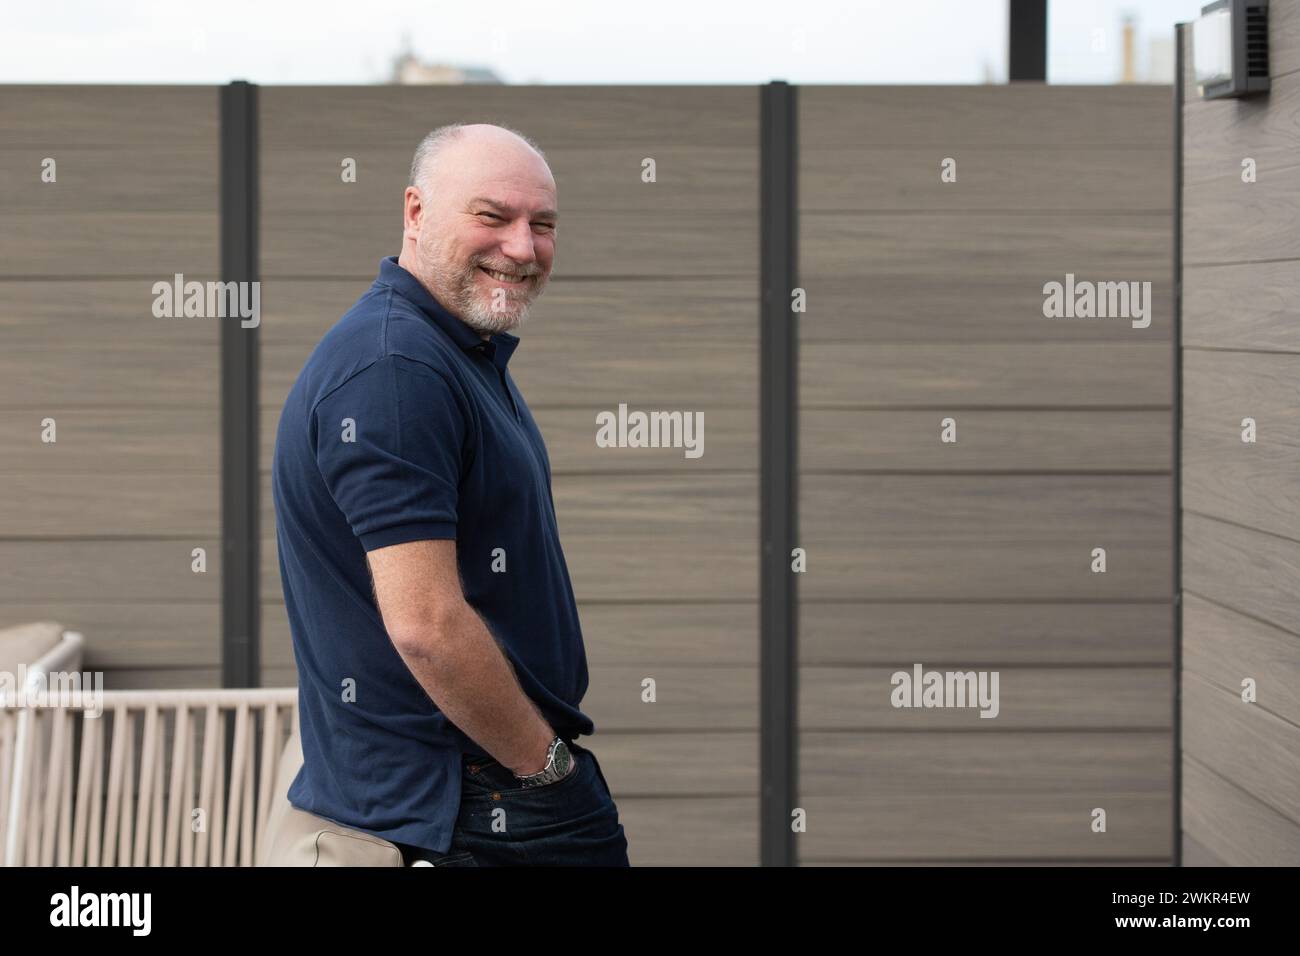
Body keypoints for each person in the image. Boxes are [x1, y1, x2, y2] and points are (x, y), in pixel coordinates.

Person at [269, 122, 628, 866]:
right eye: (492, 217)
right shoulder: (397, 370)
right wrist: (545, 768)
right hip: (473, 803)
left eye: (543, 225)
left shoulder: (447, 353)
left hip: (476, 790)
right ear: (415, 212)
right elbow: (426, 624)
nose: (523, 248)